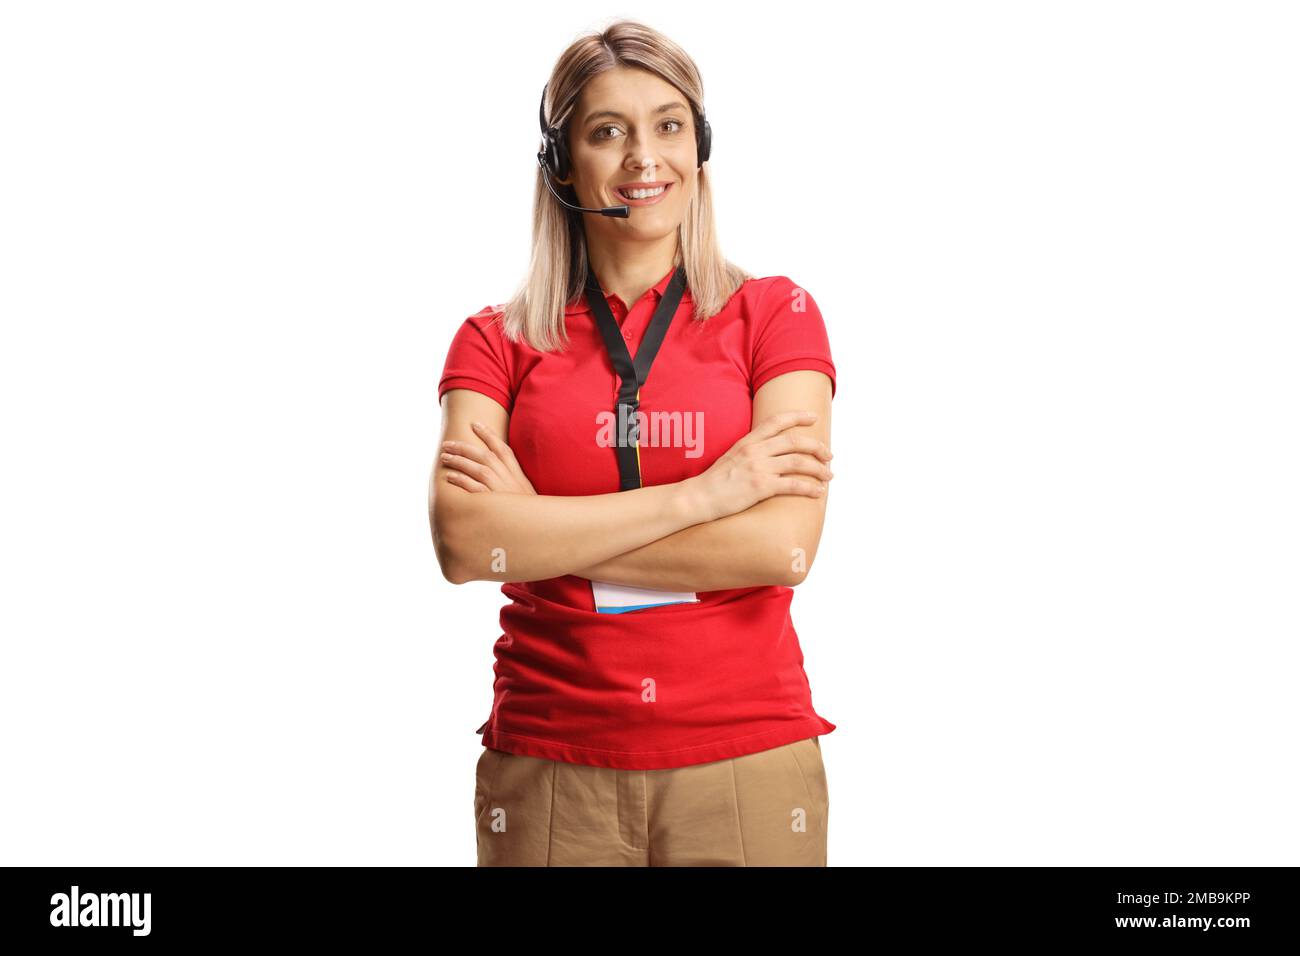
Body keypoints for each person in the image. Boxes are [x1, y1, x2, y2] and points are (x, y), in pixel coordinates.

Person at [429, 19, 838, 866]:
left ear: (700, 148)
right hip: (549, 762)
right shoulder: (493, 340)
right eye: (607, 131)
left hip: (742, 753)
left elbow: (782, 545)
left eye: (669, 125)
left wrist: (541, 527)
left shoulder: (775, 316)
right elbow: (467, 544)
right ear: (562, 164)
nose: (644, 158)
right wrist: (705, 496)